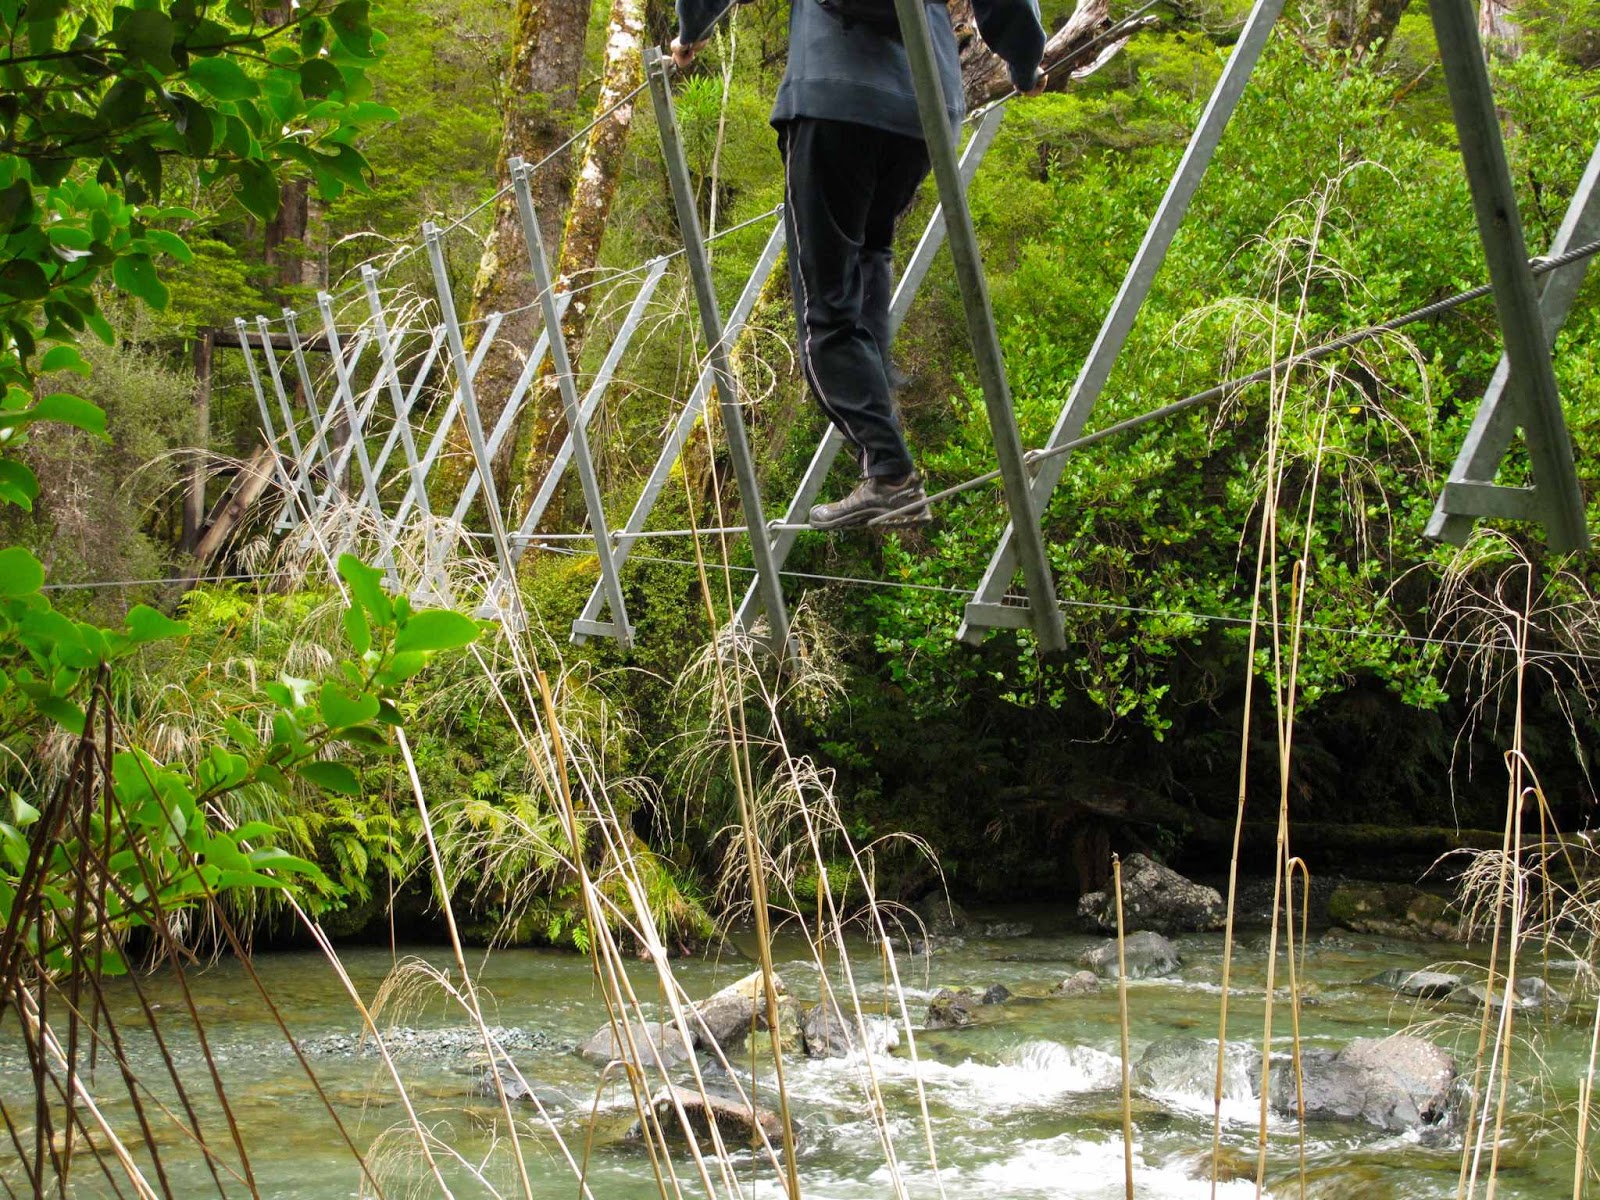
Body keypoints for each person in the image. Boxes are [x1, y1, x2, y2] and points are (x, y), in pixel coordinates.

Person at [672, 0, 1048, 529]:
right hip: (926, 109)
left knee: (824, 311)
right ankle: (881, 413)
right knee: (870, 249)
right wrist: (1025, 63)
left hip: (832, 96)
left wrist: (692, 31)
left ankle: (890, 474)